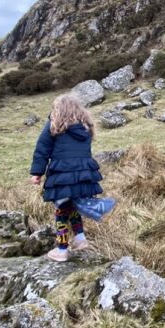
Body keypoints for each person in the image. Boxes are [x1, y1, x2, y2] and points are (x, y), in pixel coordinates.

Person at [30, 93, 106, 262]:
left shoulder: (53, 125)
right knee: (72, 206)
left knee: (61, 211)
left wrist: (37, 173)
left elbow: (42, 149)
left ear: (58, 109)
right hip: (84, 176)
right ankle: (80, 239)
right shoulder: (85, 127)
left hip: (62, 176)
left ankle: (62, 249)